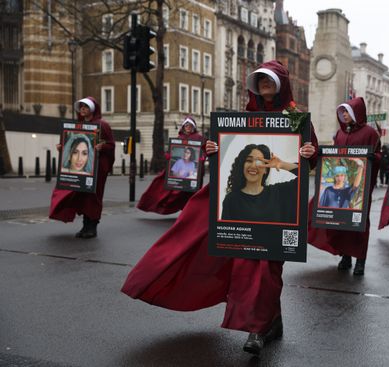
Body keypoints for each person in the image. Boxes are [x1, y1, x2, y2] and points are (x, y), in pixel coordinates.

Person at [121, 60, 318, 355]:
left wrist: (309, 152)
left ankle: (265, 323)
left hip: (278, 210)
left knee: (268, 267)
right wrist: (213, 149)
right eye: (260, 80)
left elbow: (309, 159)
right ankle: (260, 326)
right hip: (242, 208)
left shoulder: (295, 117)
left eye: (270, 80)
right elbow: (226, 157)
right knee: (251, 266)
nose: (265, 85)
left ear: (280, 83)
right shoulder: (244, 118)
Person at [308, 96, 380, 276]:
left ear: (357, 113)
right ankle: (346, 256)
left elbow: (379, 156)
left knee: (359, 224)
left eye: (348, 111)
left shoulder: (370, 133)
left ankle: (360, 260)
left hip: (358, 186)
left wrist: (373, 158)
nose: (344, 115)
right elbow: (334, 156)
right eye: (343, 112)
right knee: (340, 222)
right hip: (340, 184)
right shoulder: (339, 134)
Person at [49, 97, 115, 238]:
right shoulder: (77, 125)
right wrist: (62, 147)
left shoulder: (102, 125)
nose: (83, 109)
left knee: (94, 197)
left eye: (86, 106)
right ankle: (85, 226)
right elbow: (69, 143)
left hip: (97, 168)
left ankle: (92, 227)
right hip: (83, 170)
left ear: (92, 108)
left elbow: (111, 145)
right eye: (81, 106)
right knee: (83, 197)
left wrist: (102, 146)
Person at [137, 116, 205, 214]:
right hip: (180, 170)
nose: (188, 128)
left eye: (190, 126)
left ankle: (191, 212)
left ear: (193, 127)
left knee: (192, 194)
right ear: (183, 127)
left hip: (195, 171)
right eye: (186, 126)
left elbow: (205, 150)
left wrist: (203, 157)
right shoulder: (179, 138)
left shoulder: (199, 138)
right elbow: (172, 151)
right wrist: (168, 155)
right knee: (173, 191)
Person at [221, 143, 300, 223]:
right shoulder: (231, 199)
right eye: (249, 160)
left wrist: (282, 164)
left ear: (266, 169)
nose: (253, 165)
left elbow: (304, 176)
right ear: (242, 165)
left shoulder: (278, 192)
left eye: (259, 162)